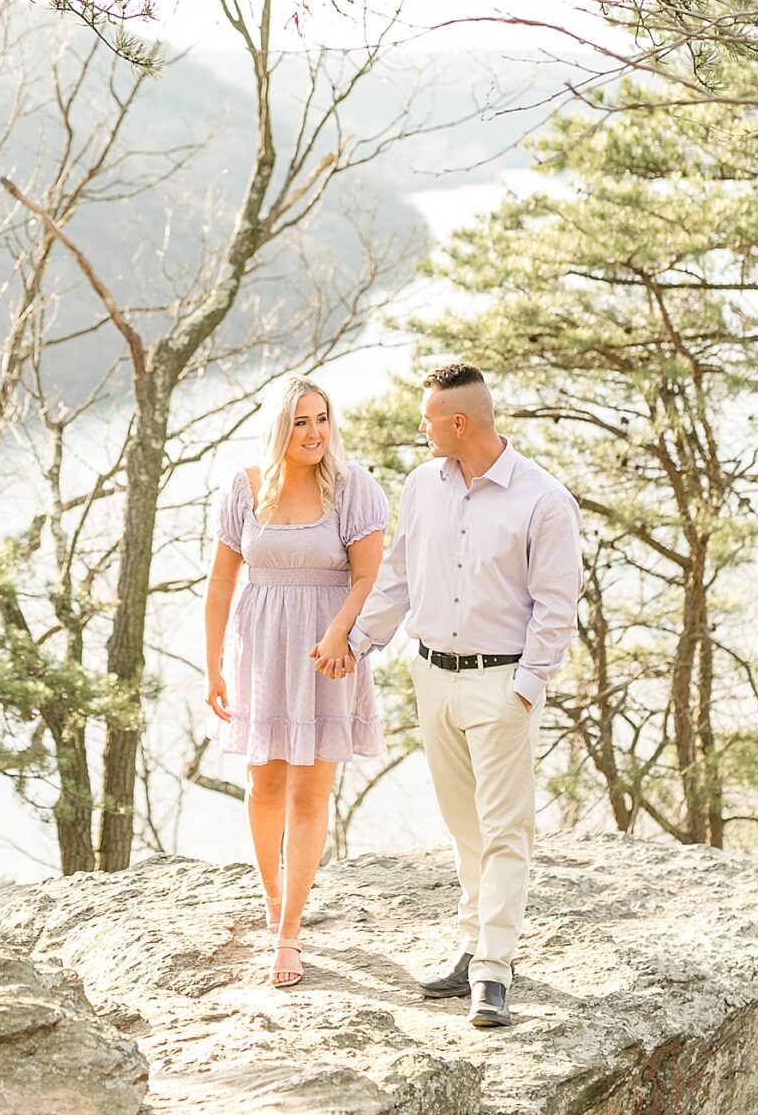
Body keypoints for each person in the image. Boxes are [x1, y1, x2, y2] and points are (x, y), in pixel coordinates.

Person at [343, 361, 582, 1031]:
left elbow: (556, 607)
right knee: (463, 826)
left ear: (457, 423)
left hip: (500, 683)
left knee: (506, 831)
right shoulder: (422, 486)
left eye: (427, 419)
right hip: (432, 676)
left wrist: (524, 690)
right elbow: (396, 580)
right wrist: (356, 646)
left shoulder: (541, 500)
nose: (419, 428)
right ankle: (474, 943)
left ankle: (493, 972)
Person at [204, 374, 389, 988]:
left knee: (310, 792)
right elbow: (222, 585)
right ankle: (272, 895)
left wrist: (340, 636)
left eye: (323, 419)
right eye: (302, 421)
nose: (315, 433)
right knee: (263, 784)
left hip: (324, 651)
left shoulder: (352, 487)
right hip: (259, 650)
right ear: (280, 427)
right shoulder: (245, 487)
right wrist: (213, 668)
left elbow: (369, 578)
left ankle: (289, 933)